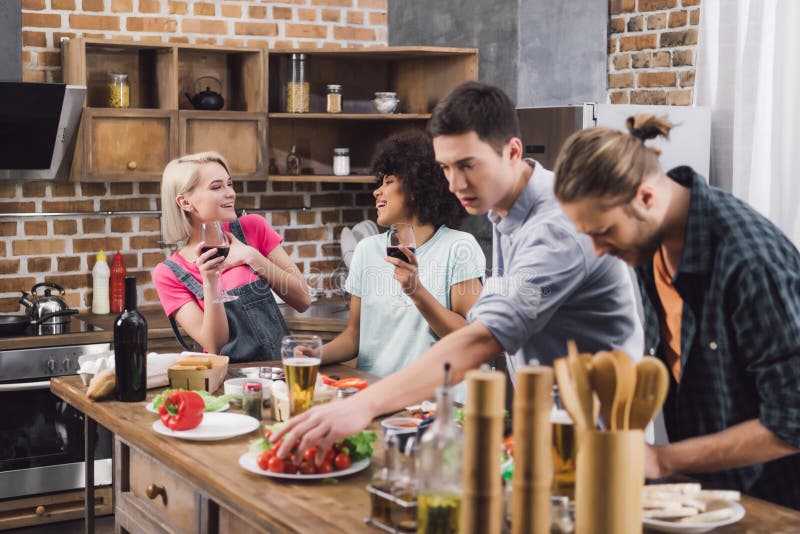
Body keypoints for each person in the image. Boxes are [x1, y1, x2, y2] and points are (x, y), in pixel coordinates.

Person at [271, 82, 643, 462]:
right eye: (446, 167)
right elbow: (504, 314)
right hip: (550, 425)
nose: (456, 184)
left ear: (512, 151)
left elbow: (480, 340)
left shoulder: (555, 227)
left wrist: (362, 406)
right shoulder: (506, 212)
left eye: (468, 165)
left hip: (597, 437)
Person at [552, 115, 800, 509]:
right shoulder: (650, 246)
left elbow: (793, 422)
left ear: (645, 198)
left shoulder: (751, 262)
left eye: (604, 232)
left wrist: (661, 458)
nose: (599, 250)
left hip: (776, 509)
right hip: (710, 502)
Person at [322, 132, 485, 396]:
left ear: (414, 189)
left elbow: (471, 336)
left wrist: (416, 291)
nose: (377, 191)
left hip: (435, 402)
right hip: (375, 395)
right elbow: (354, 336)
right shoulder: (367, 250)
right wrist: (312, 354)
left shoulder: (458, 247)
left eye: (389, 182)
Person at [153, 151, 311, 362]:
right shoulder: (170, 273)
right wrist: (210, 284)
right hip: (228, 381)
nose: (230, 193)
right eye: (217, 187)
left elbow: (303, 299)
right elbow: (214, 344)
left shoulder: (252, 228)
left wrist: (252, 256)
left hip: (278, 373)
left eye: (230, 184)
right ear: (185, 202)